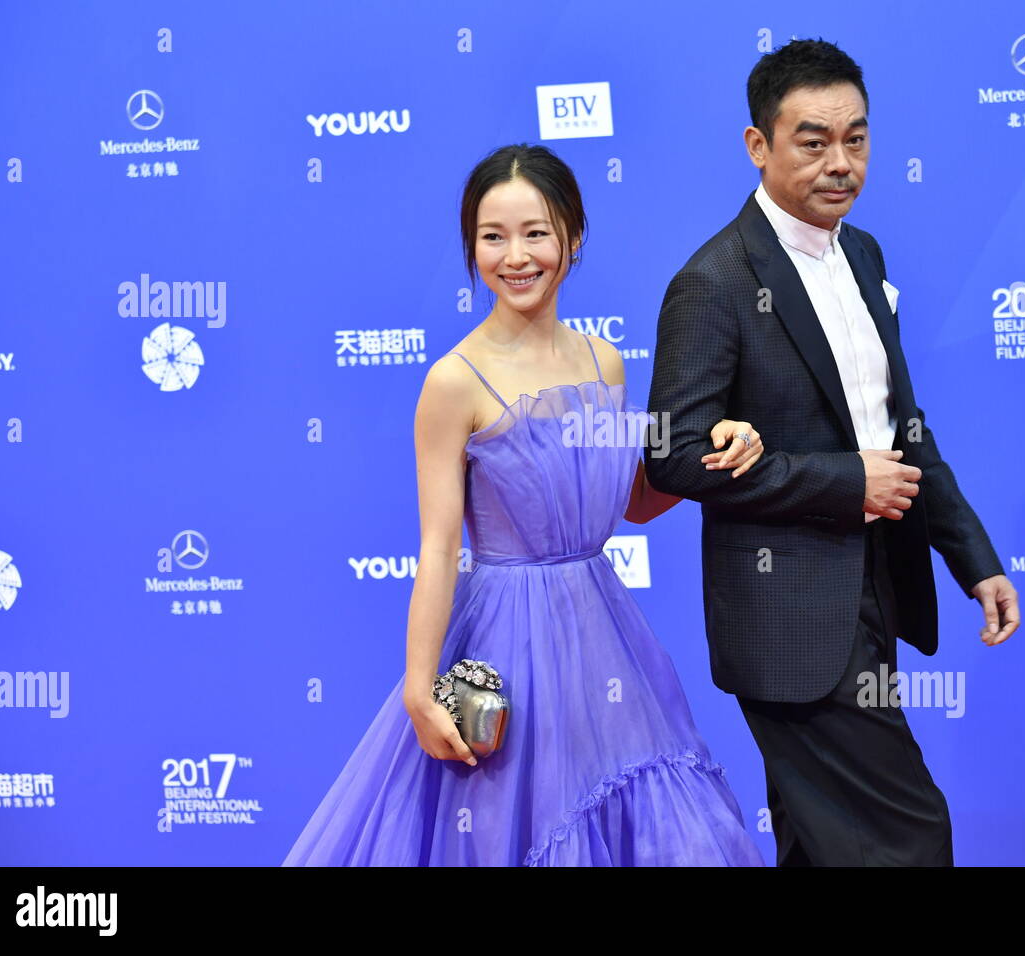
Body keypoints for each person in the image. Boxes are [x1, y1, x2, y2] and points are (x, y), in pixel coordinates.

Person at [283, 143, 766, 866]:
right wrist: (419, 691)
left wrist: (716, 454)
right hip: (508, 645)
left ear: (573, 237)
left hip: (606, 633)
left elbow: (632, 502)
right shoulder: (454, 382)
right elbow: (440, 546)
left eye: (536, 232)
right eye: (492, 237)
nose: (516, 256)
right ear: (471, 248)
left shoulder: (604, 360)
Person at [644, 39, 1022, 866]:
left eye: (856, 138)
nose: (840, 163)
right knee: (905, 839)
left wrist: (973, 558)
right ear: (759, 146)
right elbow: (670, 454)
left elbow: (903, 427)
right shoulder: (713, 282)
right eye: (813, 141)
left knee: (826, 847)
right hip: (790, 624)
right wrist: (843, 483)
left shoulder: (863, 253)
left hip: (877, 589)